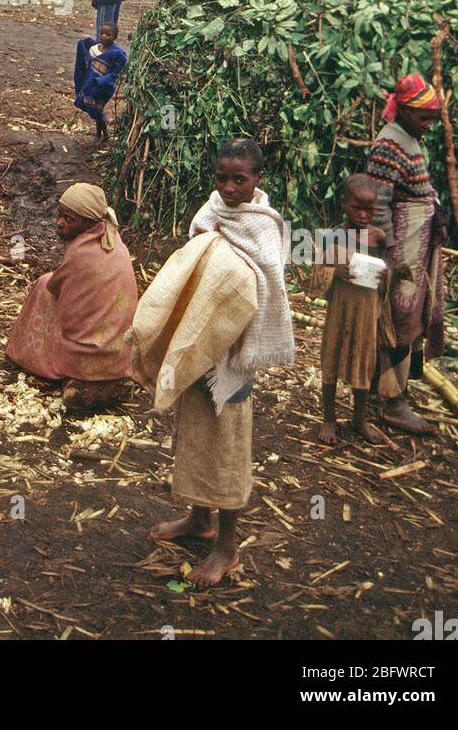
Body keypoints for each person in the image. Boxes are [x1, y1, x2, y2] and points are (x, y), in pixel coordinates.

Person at [129, 138, 294, 587]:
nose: (228, 187)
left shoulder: (265, 226)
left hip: (234, 355)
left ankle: (226, 545)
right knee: (196, 429)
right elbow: (196, 258)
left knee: (226, 443)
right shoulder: (211, 210)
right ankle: (198, 518)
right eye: (221, 177)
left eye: (239, 179)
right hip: (200, 343)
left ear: (258, 180)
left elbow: (267, 286)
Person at [6, 183, 137, 413]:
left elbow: (57, 288)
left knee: (42, 286)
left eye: (69, 218)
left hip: (88, 354)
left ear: (87, 223)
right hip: (119, 352)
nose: (60, 222)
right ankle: (111, 377)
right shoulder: (114, 240)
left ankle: (28, 356)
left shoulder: (80, 254)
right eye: (59, 214)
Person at [366, 74, 445, 436]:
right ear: (404, 111)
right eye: (423, 117)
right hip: (400, 247)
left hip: (414, 244)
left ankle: (385, 390)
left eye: (433, 118)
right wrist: (387, 255)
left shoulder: (407, 138)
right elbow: (378, 203)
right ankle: (393, 403)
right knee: (398, 319)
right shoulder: (389, 144)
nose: (429, 125)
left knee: (408, 319)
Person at [307, 174, 388, 446]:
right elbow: (317, 276)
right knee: (331, 356)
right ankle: (328, 419)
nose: (364, 214)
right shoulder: (335, 236)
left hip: (366, 311)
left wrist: (386, 276)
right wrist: (335, 271)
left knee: (364, 362)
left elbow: (388, 274)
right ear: (344, 204)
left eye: (370, 208)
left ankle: (359, 419)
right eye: (357, 208)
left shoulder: (378, 237)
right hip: (340, 310)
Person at [73, 23, 127, 139]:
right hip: (90, 85)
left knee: (97, 109)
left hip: (103, 87)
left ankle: (102, 134)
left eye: (108, 34)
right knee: (94, 108)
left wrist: (101, 80)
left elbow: (115, 73)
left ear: (115, 37)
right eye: (102, 33)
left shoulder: (117, 54)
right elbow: (87, 63)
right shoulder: (94, 49)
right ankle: (102, 134)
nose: (104, 36)